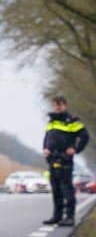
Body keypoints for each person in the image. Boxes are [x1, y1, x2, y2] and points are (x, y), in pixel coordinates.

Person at [43, 95, 89, 226]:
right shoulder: (51, 121)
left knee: (66, 189)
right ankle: (57, 216)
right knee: (56, 189)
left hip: (65, 159)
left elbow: (85, 136)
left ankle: (69, 217)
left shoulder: (72, 121)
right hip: (52, 159)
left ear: (65, 106)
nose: (57, 107)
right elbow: (47, 138)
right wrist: (45, 148)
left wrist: (76, 149)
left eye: (60, 105)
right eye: (55, 105)